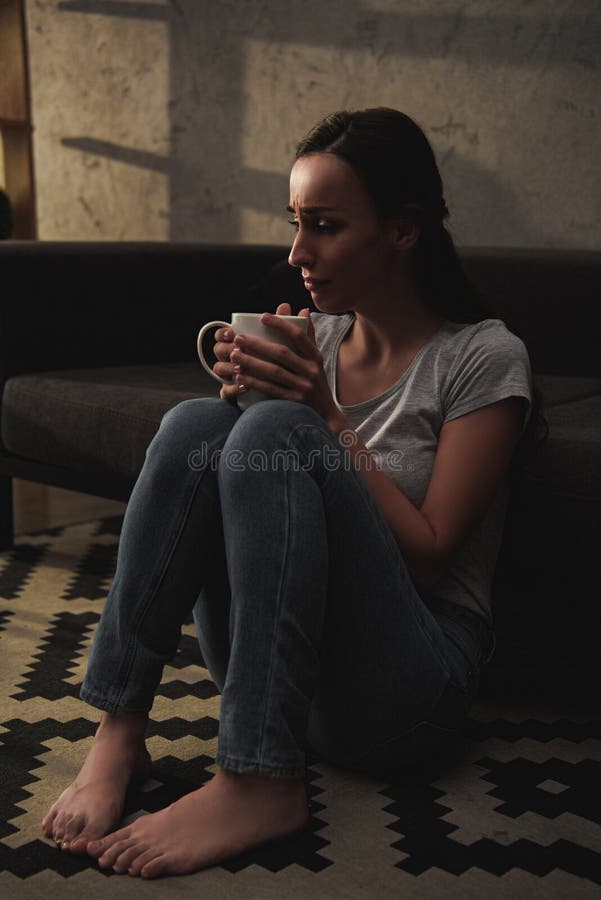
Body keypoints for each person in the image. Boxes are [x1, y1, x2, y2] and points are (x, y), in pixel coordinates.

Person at [41, 107, 543, 879]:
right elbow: (240, 482)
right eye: (295, 223)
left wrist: (322, 417)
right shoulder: (320, 339)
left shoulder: (482, 357)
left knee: (279, 431)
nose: (296, 251)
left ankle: (257, 779)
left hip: (405, 692)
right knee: (194, 423)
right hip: (277, 675)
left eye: (325, 226)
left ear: (402, 230)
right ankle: (120, 729)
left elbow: (433, 560)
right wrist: (244, 401)